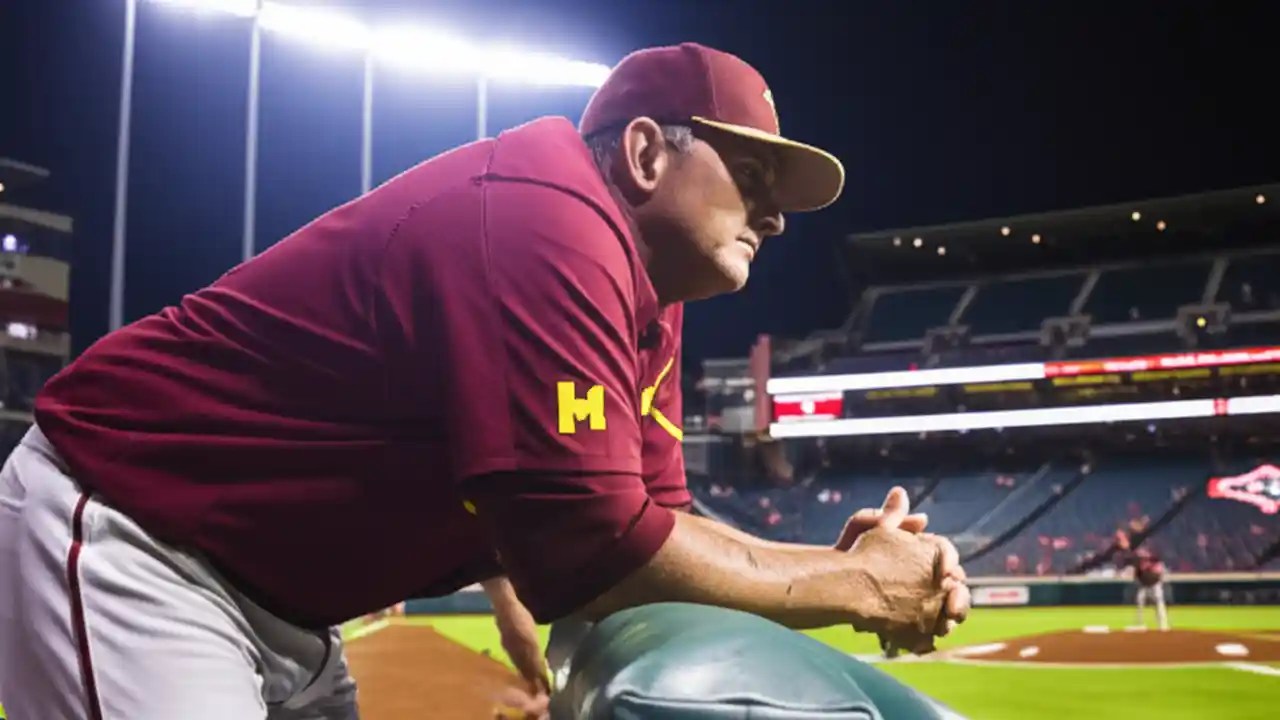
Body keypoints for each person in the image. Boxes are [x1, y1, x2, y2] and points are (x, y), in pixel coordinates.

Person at [0, 43, 969, 720]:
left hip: (276, 596)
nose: (776, 218)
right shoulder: (545, 224)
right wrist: (851, 585)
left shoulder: (645, 296)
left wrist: (830, 561)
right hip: (136, 534)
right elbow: (587, 550)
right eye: (753, 178)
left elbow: (649, 516)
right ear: (642, 152)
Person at [1115, 531, 1170, 631]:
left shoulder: (1154, 557)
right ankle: (1139, 625)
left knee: (1159, 604)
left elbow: (1156, 562)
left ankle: (1163, 627)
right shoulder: (1137, 557)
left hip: (1155, 583)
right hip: (1144, 584)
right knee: (1140, 604)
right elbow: (1130, 558)